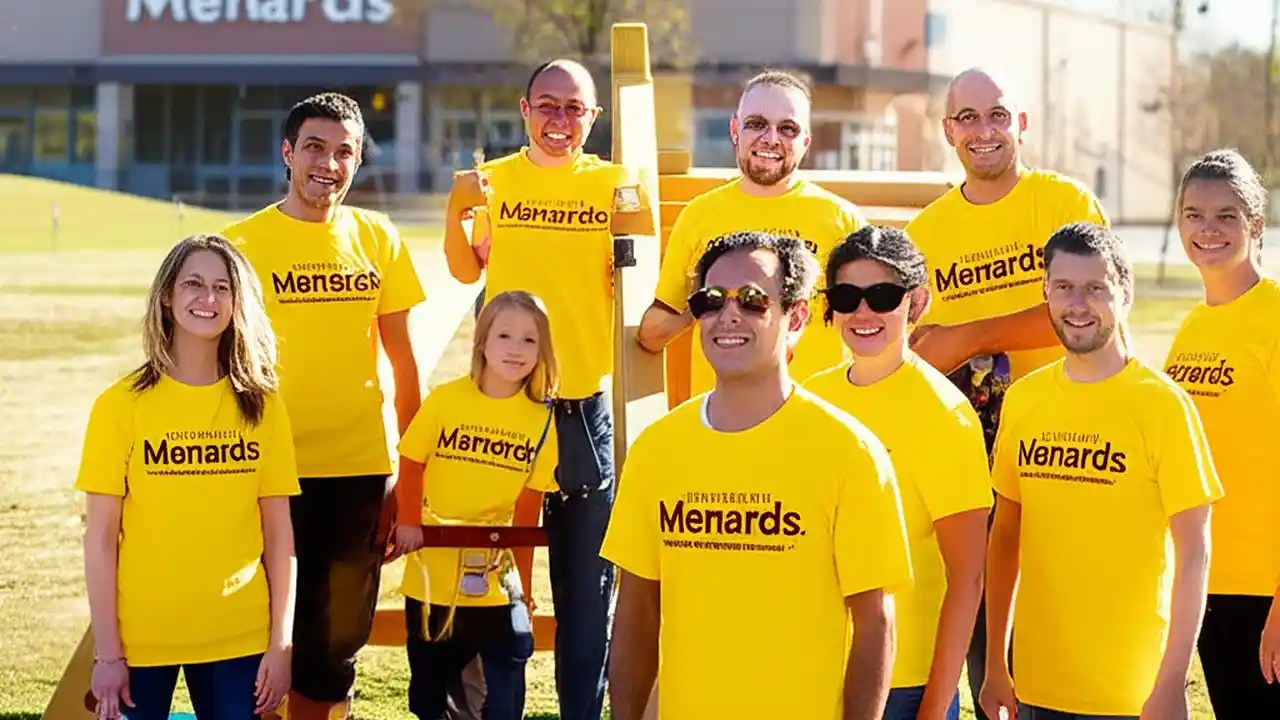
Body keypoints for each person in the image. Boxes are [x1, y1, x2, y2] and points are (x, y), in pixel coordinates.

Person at [603, 231, 913, 720]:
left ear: (797, 318)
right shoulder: (657, 450)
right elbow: (636, 614)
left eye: (752, 300)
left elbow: (876, 625)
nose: (729, 316)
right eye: (710, 301)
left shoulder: (849, 453)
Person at [904, 68, 1110, 715]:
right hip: (970, 460)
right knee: (985, 634)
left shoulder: (1064, 205)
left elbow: (1094, 311)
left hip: (1066, 445)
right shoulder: (927, 232)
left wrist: (968, 335)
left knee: (1064, 639)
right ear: (947, 132)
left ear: (1020, 123)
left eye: (997, 115)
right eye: (967, 118)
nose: (983, 130)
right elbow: (913, 343)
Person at [222, 91, 426, 720]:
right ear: (287, 152)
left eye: (345, 151)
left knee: (334, 642)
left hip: (357, 468)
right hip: (263, 467)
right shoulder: (240, 244)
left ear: (358, 160)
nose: (329, 164)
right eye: (314, 147)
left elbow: (403, 363)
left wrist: (408, 482)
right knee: (256, 633)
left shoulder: (377, 236)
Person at [441, 59, 631, 720]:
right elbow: (467, 267)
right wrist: (456, 210)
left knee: (584, 596)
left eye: (574, 109)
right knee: (486, 586)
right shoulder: (493, 181)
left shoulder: (614, 185)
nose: (559, 121)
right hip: (502, 411)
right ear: (524, 110)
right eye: (546, 106)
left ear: (593, 118)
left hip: (582, 409)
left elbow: (637, 281)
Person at [980, 222, 1223, 720]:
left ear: (1124, 295)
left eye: (1095, 288)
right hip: (1037, 689)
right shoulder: (1025, 400)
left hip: (1133, 697)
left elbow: (1195, 551)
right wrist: (995, 666)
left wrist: (1172, 681)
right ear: (1046, 293)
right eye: (1063, 288)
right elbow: (1006, 536)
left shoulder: (1162, 406)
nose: (1077, 304)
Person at [78, 234, 299, 720]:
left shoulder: (262, 406)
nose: (209, 299)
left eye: (223, 288)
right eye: (194, 284)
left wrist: (280, 642)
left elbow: (280, 535)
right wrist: (108, 654)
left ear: (238, 303)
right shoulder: (120, 407)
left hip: (237, 634)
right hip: (141, 640)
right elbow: (100, 539)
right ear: (166, 297)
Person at [803, 226, 991, 720]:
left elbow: (968, 577)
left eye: (882, 296)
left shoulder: (944, 414)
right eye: (847, 296)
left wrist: (933, 706)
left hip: (904, 685)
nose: (863, 313)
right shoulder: (810, 400)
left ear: (917, 301)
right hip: (815, 671)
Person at [637, 69, 867, 397]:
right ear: (735, 129)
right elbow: (650, 334)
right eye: (756, 124)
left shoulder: (843, 221)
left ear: (805, 142)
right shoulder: (699, 215)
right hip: (720, 421)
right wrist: (705, 301)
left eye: (787, 128)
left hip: (815, 422)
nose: (771, 139)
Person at [390, 290, 561, 720]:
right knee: (428, 693)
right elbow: (412, 461)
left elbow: (528, 507)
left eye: (530, 340)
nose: (516, 350)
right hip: (433, 577)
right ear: (482, 341)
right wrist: (409, 522)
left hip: (495, 579)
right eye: (504, 335)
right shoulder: (447, 400)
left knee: (505, 685)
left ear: (543, 351)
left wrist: (522, 586)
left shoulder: (543, 421)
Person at [1163, 148, 1280, 716]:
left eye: (1226, 216)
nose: (1207, 229)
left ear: (1255, 226)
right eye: (1193, 214)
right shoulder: (1193, 325)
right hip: (1210, 581)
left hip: (1268, 589)